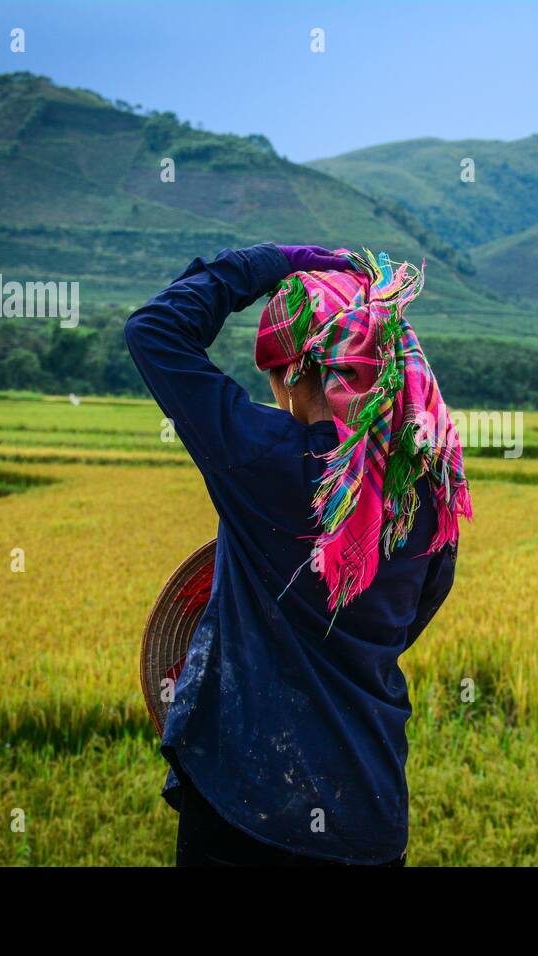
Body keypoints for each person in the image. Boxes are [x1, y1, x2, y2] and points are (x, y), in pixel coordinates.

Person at [124, 243, 470, 866]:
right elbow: (412, 614)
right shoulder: (426, 484)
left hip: (246, 812)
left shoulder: (264, 459)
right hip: (370, 816)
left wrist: (278, 260)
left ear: (293, 372)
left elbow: (155, 329)